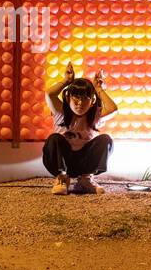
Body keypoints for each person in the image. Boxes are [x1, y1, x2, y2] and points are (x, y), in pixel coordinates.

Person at [43, 62, 116, 194]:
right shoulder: (61, 112)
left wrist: (98, 89)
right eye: (76, 99)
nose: (80, 104)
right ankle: (62, 178)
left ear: (92, 101)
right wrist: (66, 81)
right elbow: (49, 94)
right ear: (68, 97)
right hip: (64, 161)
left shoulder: (94, 115)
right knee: (54, 139)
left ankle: (85, 178)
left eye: (85, 99)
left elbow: (113, 109)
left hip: (84, 162)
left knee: (106, 139)